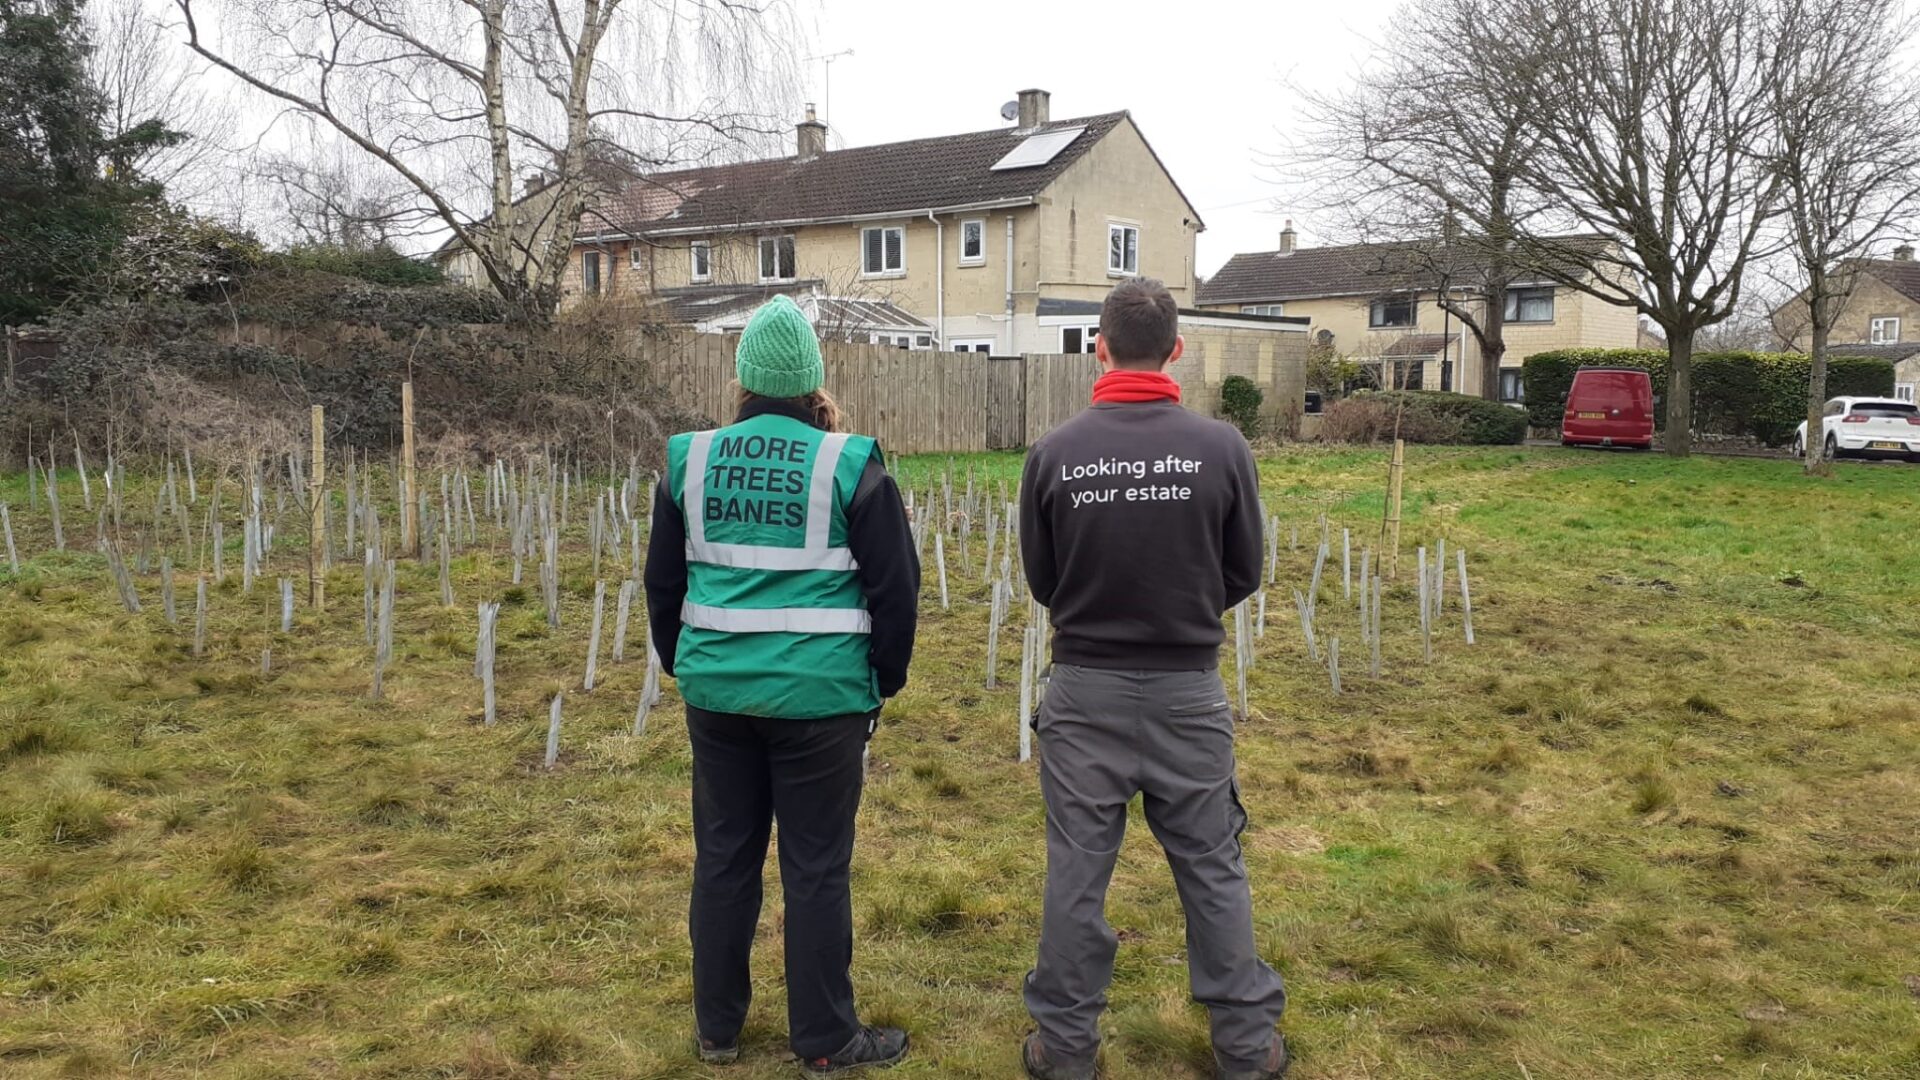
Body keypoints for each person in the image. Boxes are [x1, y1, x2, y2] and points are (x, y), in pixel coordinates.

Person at [1017, 278, 1289, 1080]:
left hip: (1083, 695)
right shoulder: (1222, 448)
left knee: (1077, 871)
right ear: (1177, 349)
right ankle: (1246, 1048)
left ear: (1097, 347)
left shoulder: (1053, 453)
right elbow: (1244, 570)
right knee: (1212, 866)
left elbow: (1044, 580)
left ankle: (1064, 1050)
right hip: (1189, 695)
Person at [644, 295, 920, 1074]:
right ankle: (827, 1041)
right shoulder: (851, 462)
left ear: (742, 381)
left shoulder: (687, 460)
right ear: (813, 382)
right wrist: (882, 684)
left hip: (717, 696)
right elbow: (895, 590)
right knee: (816, 868)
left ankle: (717, 1031)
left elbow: (662, 585)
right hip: (823, 701)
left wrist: (688, 666)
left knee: (723, 859)